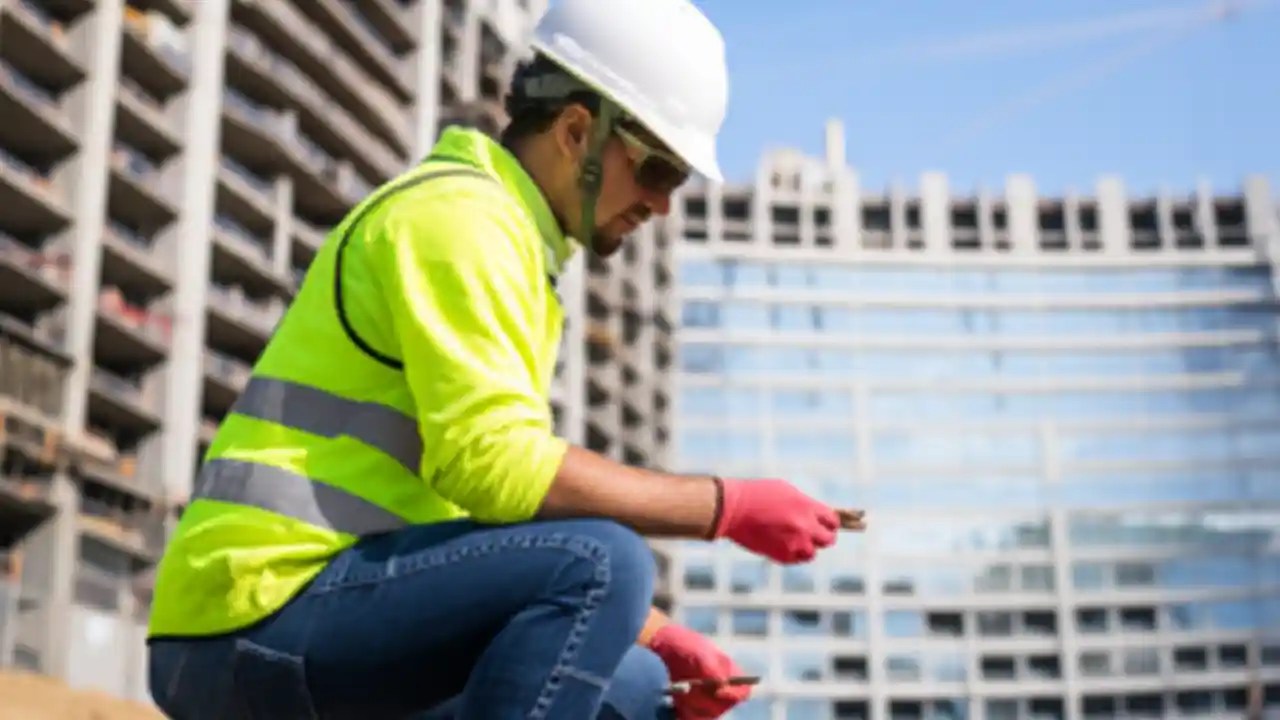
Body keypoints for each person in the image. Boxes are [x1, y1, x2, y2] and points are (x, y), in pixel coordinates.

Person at [145, 0, 864, 718]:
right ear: (578, 132)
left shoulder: (513, 246)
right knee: (603, 561)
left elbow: (478, 507)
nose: (661, 205)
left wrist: (654, 633)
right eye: (657, 171)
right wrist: (724, 507)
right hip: (247, 618)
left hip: (319, 615)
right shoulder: (462, 220)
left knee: (637, 691)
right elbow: (495, 469)